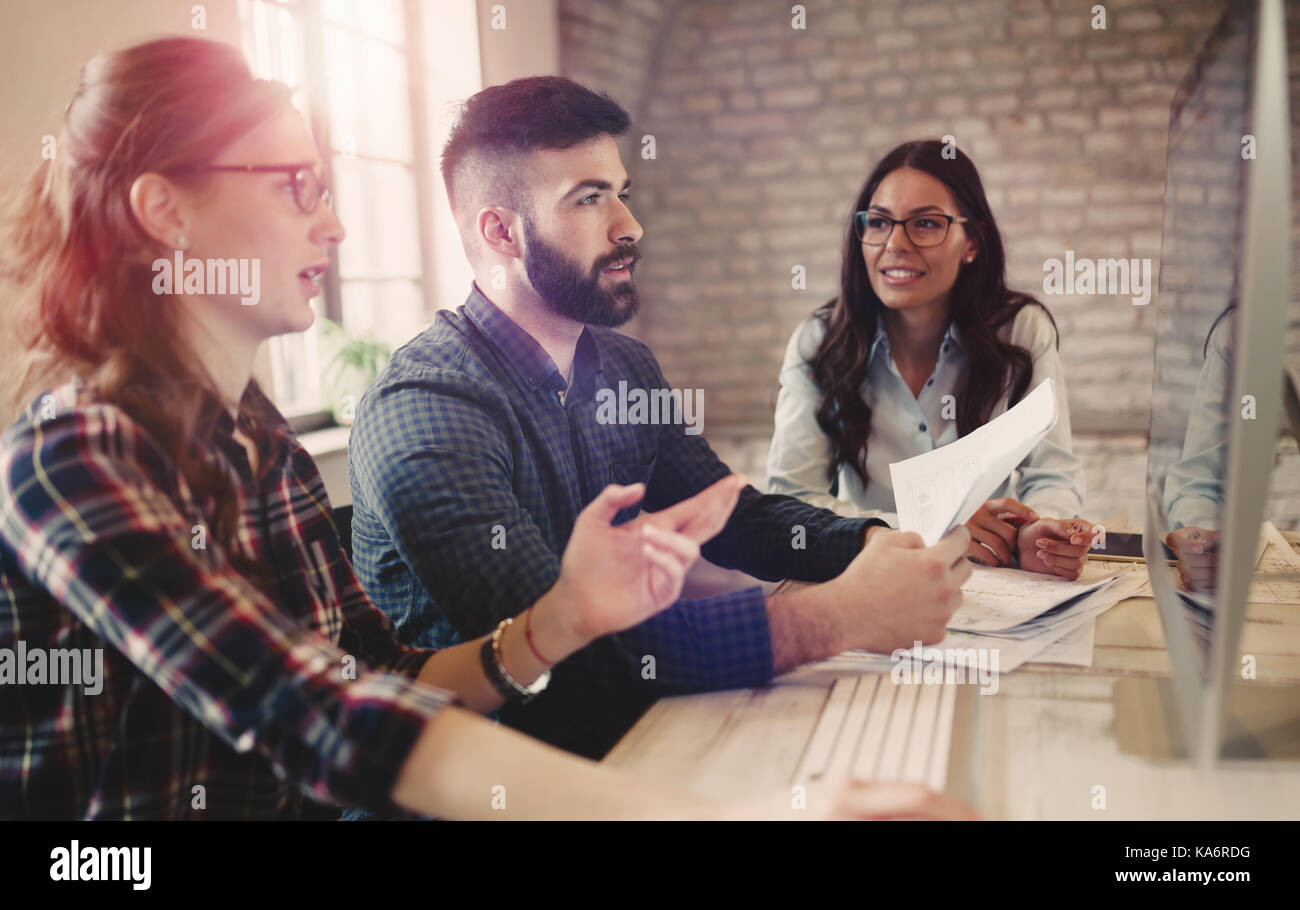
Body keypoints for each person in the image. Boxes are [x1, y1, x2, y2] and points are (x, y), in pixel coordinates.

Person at [0, 37, 974, 821]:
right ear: (164, 209)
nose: (333, 229)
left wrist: (567, 617)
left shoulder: (257, 435)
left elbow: (382, 674)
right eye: (293, 186)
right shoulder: (68, 456)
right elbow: (329, 717)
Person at [348, 77, 974, 763]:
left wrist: (870, 546)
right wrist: (836, 617)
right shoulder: (425, 410)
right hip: (482, 792)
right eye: (589, 199)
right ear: (501, 231)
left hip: (642, 746)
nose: (629, 226)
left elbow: (733, 517)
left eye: (622, 193)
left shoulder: (622, 367)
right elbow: (568, 663)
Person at [767, 139, 1096, 580]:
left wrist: (1040, 529)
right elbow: (791, 504)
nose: (895, 244)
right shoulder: (820, 342)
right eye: (879, 222)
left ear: (972, 242)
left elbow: (1053, 475)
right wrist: (921, 529)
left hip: (989, 585)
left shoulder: (1020, 331)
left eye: (925, 223)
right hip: (866, 579)